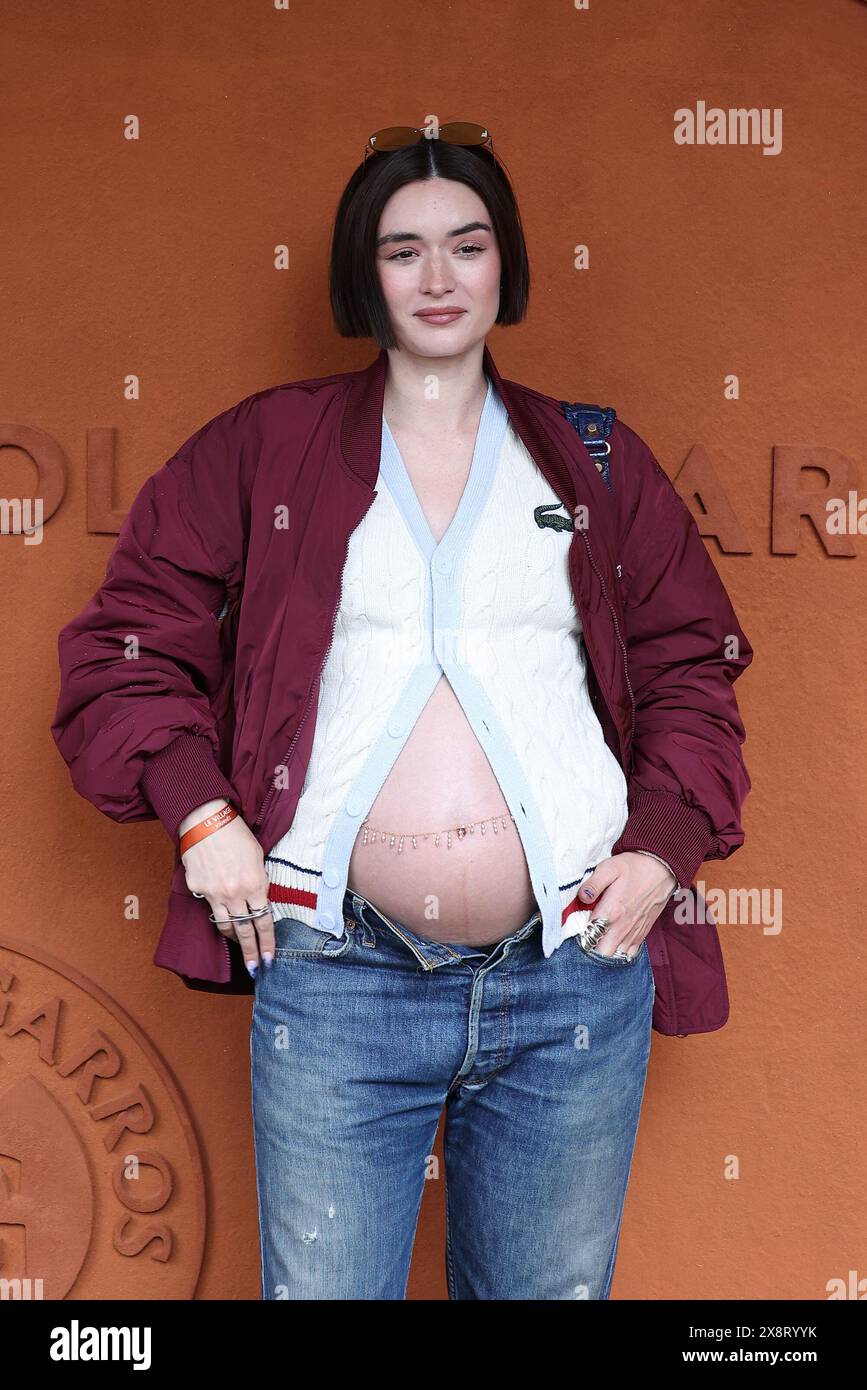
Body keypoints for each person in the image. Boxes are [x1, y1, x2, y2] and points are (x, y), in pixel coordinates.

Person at [51, 122, 753, 1299]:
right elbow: (124, 646)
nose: (438, 278)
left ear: (504, 266)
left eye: (467, 246)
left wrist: (664, 851)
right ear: (360, 274)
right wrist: (199, 815)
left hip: (571, 973)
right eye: (403, 250)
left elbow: (694, 662)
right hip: (334, 976)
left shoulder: (592, 459)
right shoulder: (266, 447)